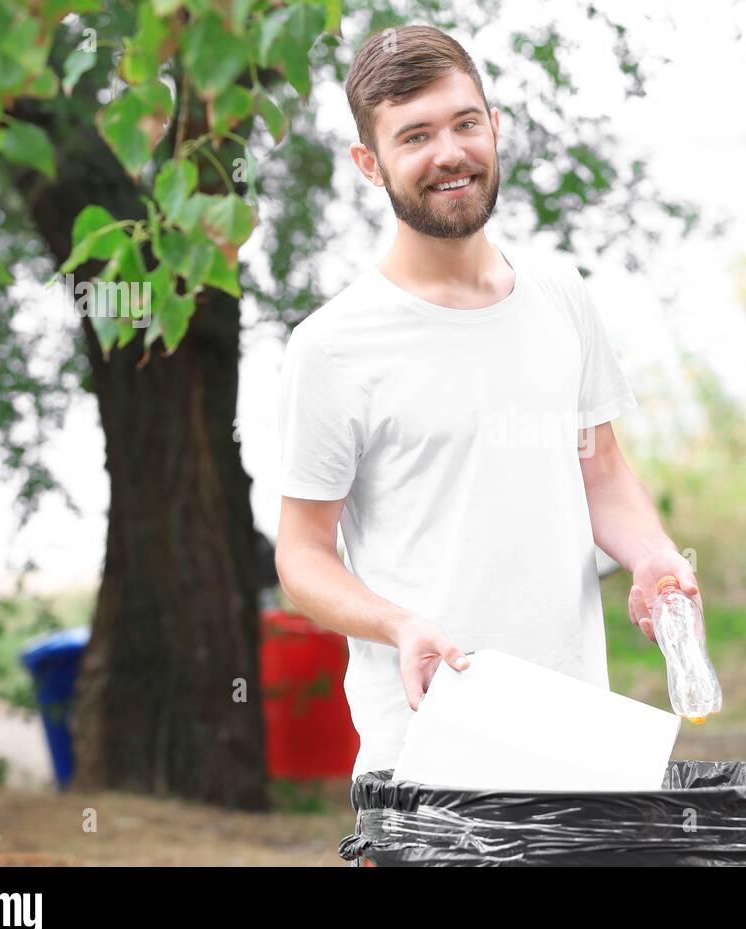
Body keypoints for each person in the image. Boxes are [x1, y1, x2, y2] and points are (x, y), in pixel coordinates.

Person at [274, 24, 701, 780]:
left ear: (495, 128)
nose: (449, 154)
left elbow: (600, 473)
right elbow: (302, 555)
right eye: (415, 137)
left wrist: (653, 554)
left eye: (465, 123)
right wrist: (397, 624)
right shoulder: (331, 347)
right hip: (426, 752)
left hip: (575, 738)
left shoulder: (561, 297)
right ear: (369, 164)